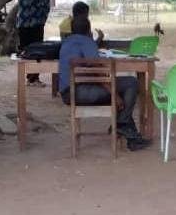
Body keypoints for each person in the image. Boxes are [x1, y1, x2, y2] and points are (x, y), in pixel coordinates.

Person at [59, 18, 151, 151]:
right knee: (131, 83)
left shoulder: (66, 43)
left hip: (68, 94)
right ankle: (122, 125)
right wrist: (114, 94)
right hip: (84, 92)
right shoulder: (87, 42)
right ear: (88, 31)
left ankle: (130, 135)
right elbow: (97, 72)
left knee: (121, 92)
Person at [16, 0, 50, 84]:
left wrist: (42, 20)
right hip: (30, 24)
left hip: (30, 24)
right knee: (30, 51)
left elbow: (47, 6)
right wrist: (42, 19)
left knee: (32, 51)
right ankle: (30, 77)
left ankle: (32, 77)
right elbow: (47, 6)